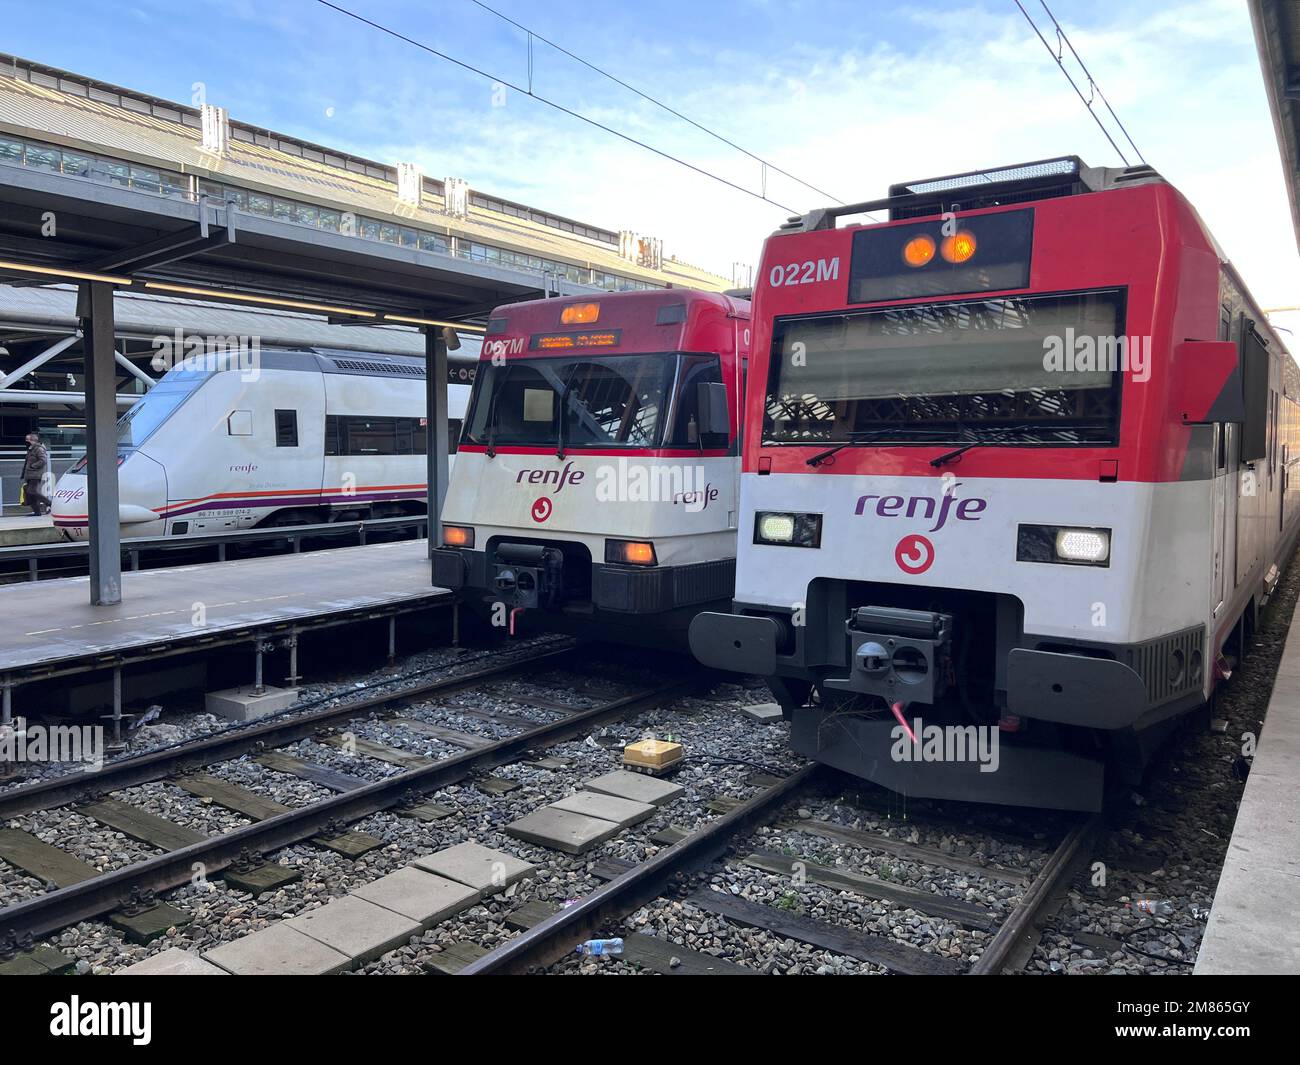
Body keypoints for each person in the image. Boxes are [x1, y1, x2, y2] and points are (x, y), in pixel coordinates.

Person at [21, 431, 50, 516]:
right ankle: (37, 512)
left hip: (35, 474)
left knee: (32, 491)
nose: (26, 441)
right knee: (29, 493)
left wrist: (33, 466)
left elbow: (43, 460)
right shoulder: (30, 449)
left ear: (33, 440)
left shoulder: (38, 449)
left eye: (27, 439)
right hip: (29, 474)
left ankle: (49, 503)